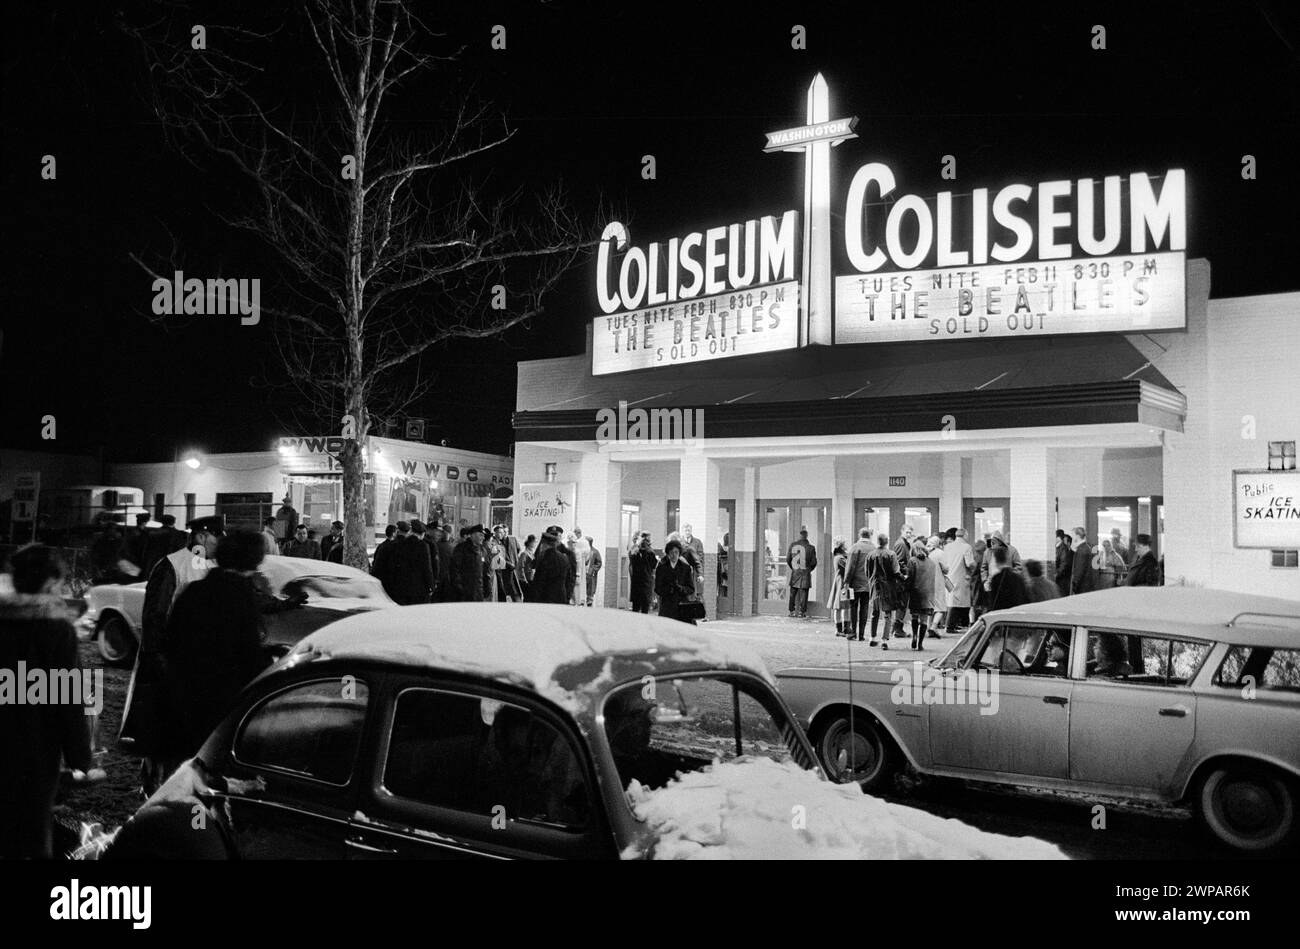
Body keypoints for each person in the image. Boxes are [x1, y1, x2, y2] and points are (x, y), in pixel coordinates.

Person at [0, 545, 104, 859]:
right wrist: (80, 758)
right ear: (50, 582)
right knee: (32, 829)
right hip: (34, 746)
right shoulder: (55, 630)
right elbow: (67, 699)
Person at [123, 514, 225, 783]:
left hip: (196, 663)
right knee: (161, 727)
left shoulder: (213, 565)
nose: (220, 542)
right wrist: (156, 656)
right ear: (201, 536)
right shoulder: (172, 565)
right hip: (170, 660)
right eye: (216, 536)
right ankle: (153, 783)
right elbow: (154, 616)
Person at [158, 531, 271, 764]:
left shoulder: (193, 591)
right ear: (253, 560)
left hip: (182, 701)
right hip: (221, 706)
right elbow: (249, 656)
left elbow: (169, 642)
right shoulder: (241, 597)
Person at [866, 532, 902, 648]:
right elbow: (896, 571)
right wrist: (903, 578)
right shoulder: (891, 554)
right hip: (888, 587)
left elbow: (867, 572)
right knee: (887, 614)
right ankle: (884, 640)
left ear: (878, 542)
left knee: (874, 613)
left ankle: (872, 637)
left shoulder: (870, 555)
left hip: (874, 586)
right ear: (887, 541)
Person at [386, 520, 435, 604]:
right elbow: (427, 568)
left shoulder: (401, 544)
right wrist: (431, 585)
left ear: (411, 531)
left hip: (402, 586)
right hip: (419, 588)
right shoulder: (423, 546)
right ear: (422, 534)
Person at [940, 528, 976, 633]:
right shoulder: (966, 547)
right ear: (965, 536)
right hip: (960, 577)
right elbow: (969, 563)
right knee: (957, 602)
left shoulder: (947, 547)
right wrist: (975, 565)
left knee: (950, 600)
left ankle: (951, 624)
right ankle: (950, 626)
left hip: (948, 577)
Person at [842, 528, 874, 642]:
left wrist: (846, 581)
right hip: (868, 583)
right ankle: (861, 634)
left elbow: (850, 567)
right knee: (864, 608)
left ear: (859, 535)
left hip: (854, 584)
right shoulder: (873, 548)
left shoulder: (855, 547)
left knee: (853, 607)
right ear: (870, 535)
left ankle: (853, 632)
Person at [654, 538, 697, 624]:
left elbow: (691, 588)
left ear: (679, 553)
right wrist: (668, 589)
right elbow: (657, 588)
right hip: (666, 606)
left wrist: (680, 588)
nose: (674, 555)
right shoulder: (661, 568)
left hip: (681, 605)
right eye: (671, 553)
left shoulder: (686, 568)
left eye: (676, 552)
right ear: (668, 553)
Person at [904, 539, 937, 650]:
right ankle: (920, 644)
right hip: (928, 594)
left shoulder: (912, 561)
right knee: (924, 620)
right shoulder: (931, 562)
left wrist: (906, 589)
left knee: (915, 616)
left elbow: (910, 578)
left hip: (916, 593)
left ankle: (914, 636)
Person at [527, 528, 570, 604]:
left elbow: (540, 581)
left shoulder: (545, 558)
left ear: (544, 544)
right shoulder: (564, 558)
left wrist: (533, 598)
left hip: (546, 597)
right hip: (561, 596)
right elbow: (568, 579)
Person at [140, 513, 188, 579]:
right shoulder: (181, 535)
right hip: (174, 565)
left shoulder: (152, 533)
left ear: (162, 521)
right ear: (174, 522)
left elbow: (146, 551)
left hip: (155, 564)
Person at [452, 524, 492, 602]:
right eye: (480, 535)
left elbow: (486, 571)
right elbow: (454, 569)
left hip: (478, 592)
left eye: (483, 536)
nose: (483, 538)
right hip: (464, 592)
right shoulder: (461, 548)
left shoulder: (483, 550)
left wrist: (487, 587)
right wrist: (459, 587)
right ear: (472, 535)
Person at [890, 525, 916, 638]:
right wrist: (907, 572)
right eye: (907, 532)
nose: (909, 534)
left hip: (901, 578)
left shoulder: (904, 543)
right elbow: (899, 561)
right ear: (902, 531)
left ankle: (896, 628)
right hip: (901, 579)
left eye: (910, 532)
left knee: (902, 604)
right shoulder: (901, 544)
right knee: (902, 604)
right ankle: (898, 630)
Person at [786, 527, 818, 618]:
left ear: (799, 536)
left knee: (793, 592)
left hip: (795, 571)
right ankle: (802, 612)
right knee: (804, 592)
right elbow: (814, 562)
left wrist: (793, 568)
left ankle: (791, 611)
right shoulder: (811, 548)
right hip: (805, 572)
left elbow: (788, 559)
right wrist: (808, 569)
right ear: (806, 536)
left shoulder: (793, 545)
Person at [985, 545, 1029, 612]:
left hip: (1002, 616)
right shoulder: (1018, 578)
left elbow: (993, 602)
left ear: (996, 560)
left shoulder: (996, 579)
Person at [628, 532, 658, 614]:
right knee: (644, 608)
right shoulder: (649, 551)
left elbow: (631, 559)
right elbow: (654, 565)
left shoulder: (635, 550)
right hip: (646, 581)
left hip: (637, 581)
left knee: (636, 608)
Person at [828, 539, 850, 637]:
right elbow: (848, 567)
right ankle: (841, 628)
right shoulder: (840, 558)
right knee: (841, 606)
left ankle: (842, 628)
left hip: (840, 581)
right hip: (841, 582)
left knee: (842, 606)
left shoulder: (839, 557)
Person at [371, 523, 398, 592]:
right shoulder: (393, 546)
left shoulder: (381, 546)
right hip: (387, 579)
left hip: (380, 578)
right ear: (393, 533)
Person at [1070, 527, 1096, 595]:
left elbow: (1079, 569)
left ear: (1078, 536)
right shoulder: (1086, 547)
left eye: (1073, 535)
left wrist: (1075, 585)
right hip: (1086, 584)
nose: (1072, 537)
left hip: (1082, 586)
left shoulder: (1081, 550)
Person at [969, 538, 990, 620]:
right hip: (983, 584)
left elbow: (974, 572)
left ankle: (973, 622)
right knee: (984, 605)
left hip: (977, 584)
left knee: (974, 605)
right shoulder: (986, 557)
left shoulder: (977, 558)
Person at [561, 533, 580, 605]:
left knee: (575, 593)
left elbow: (578, 565)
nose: (573, 544)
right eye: (571, 542)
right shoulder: (566, 552)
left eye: (574, 543)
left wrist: (578, 574)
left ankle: (575, 604)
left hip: (575, 575)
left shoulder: (577, 552)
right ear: (568, 543)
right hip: (567, 575)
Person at [584, 537, 603, 607]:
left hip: (590, 575)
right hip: (583, 574)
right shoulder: (584, 550)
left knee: (590, 591)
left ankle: (590, 602)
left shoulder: (595, 551)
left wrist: (593, 569)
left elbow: (599, 563)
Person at [519, 534, 537, 600]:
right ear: (529, 542)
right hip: (526, 579)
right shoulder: (524, 553)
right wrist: (524, 580)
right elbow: (521, 567)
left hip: (531, 578)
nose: (535, 544)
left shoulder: (532, 553)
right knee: (527, 597)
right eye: (534, 542)